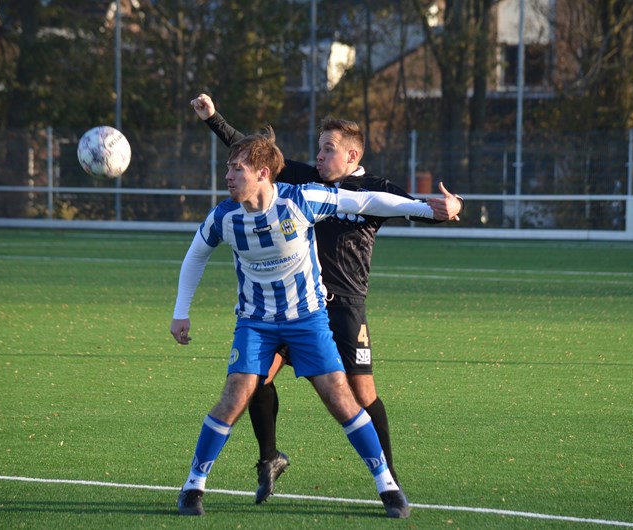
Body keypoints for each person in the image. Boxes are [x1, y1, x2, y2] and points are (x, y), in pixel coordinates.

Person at [190, 94, 463, 503]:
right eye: (318, 147)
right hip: (294, 303)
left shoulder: (374, 189)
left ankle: (388, 477)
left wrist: (448, 206)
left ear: (352, 155)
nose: (318, 156)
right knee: (255, 381)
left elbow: (418, 207)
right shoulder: (305, 182)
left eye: (328, 149)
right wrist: (213, 118)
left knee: (359, 395)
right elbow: (250, 156)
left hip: (346, 307)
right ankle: (269, 458)